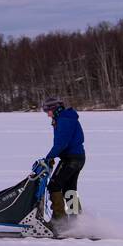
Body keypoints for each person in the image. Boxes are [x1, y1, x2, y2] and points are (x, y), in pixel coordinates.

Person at [39, 96, 84, 225]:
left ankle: (59, 220)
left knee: (54, 185)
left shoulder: (64, 120)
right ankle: (76, 221)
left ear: (54, 109)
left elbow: (61, 143)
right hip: (77, 157)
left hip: (71, 159)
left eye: (47, 111)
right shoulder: (65, 117)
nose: (47, 115)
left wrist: (49, 158)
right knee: (69, 188)